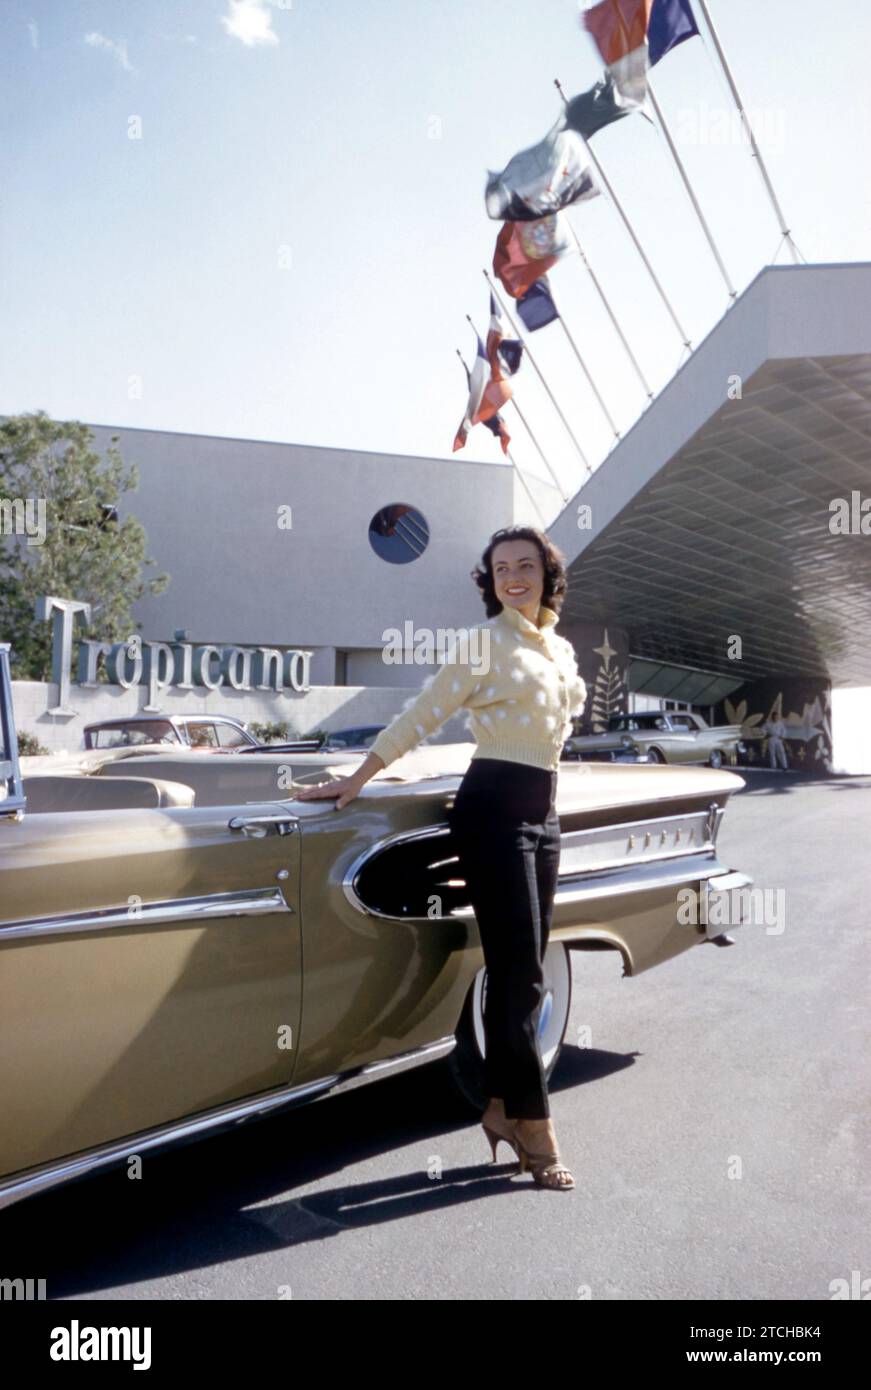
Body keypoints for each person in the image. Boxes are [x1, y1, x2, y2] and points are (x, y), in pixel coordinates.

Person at [291, 525, 587, 1190]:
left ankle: (500, 1107)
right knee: (517, 974)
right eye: (501, 568)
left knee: (528, 968)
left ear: (546, 573)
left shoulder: (557, 647)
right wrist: (357, 778)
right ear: (488, 580)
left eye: (525, 566)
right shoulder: (483, 644)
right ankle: (533, 1125)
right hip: (492, 810)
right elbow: (422, 714)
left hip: (544, 810)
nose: (514, 576)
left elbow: (552, 735)